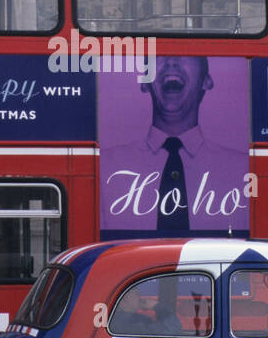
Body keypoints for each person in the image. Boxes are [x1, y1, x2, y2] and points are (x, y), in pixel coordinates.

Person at [104, 56, 246, 234]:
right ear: (144, 82)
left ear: (206, 81)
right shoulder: (104, 167)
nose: (171, 61)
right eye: (159, 55)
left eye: (188, 54)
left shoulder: (242, 169)